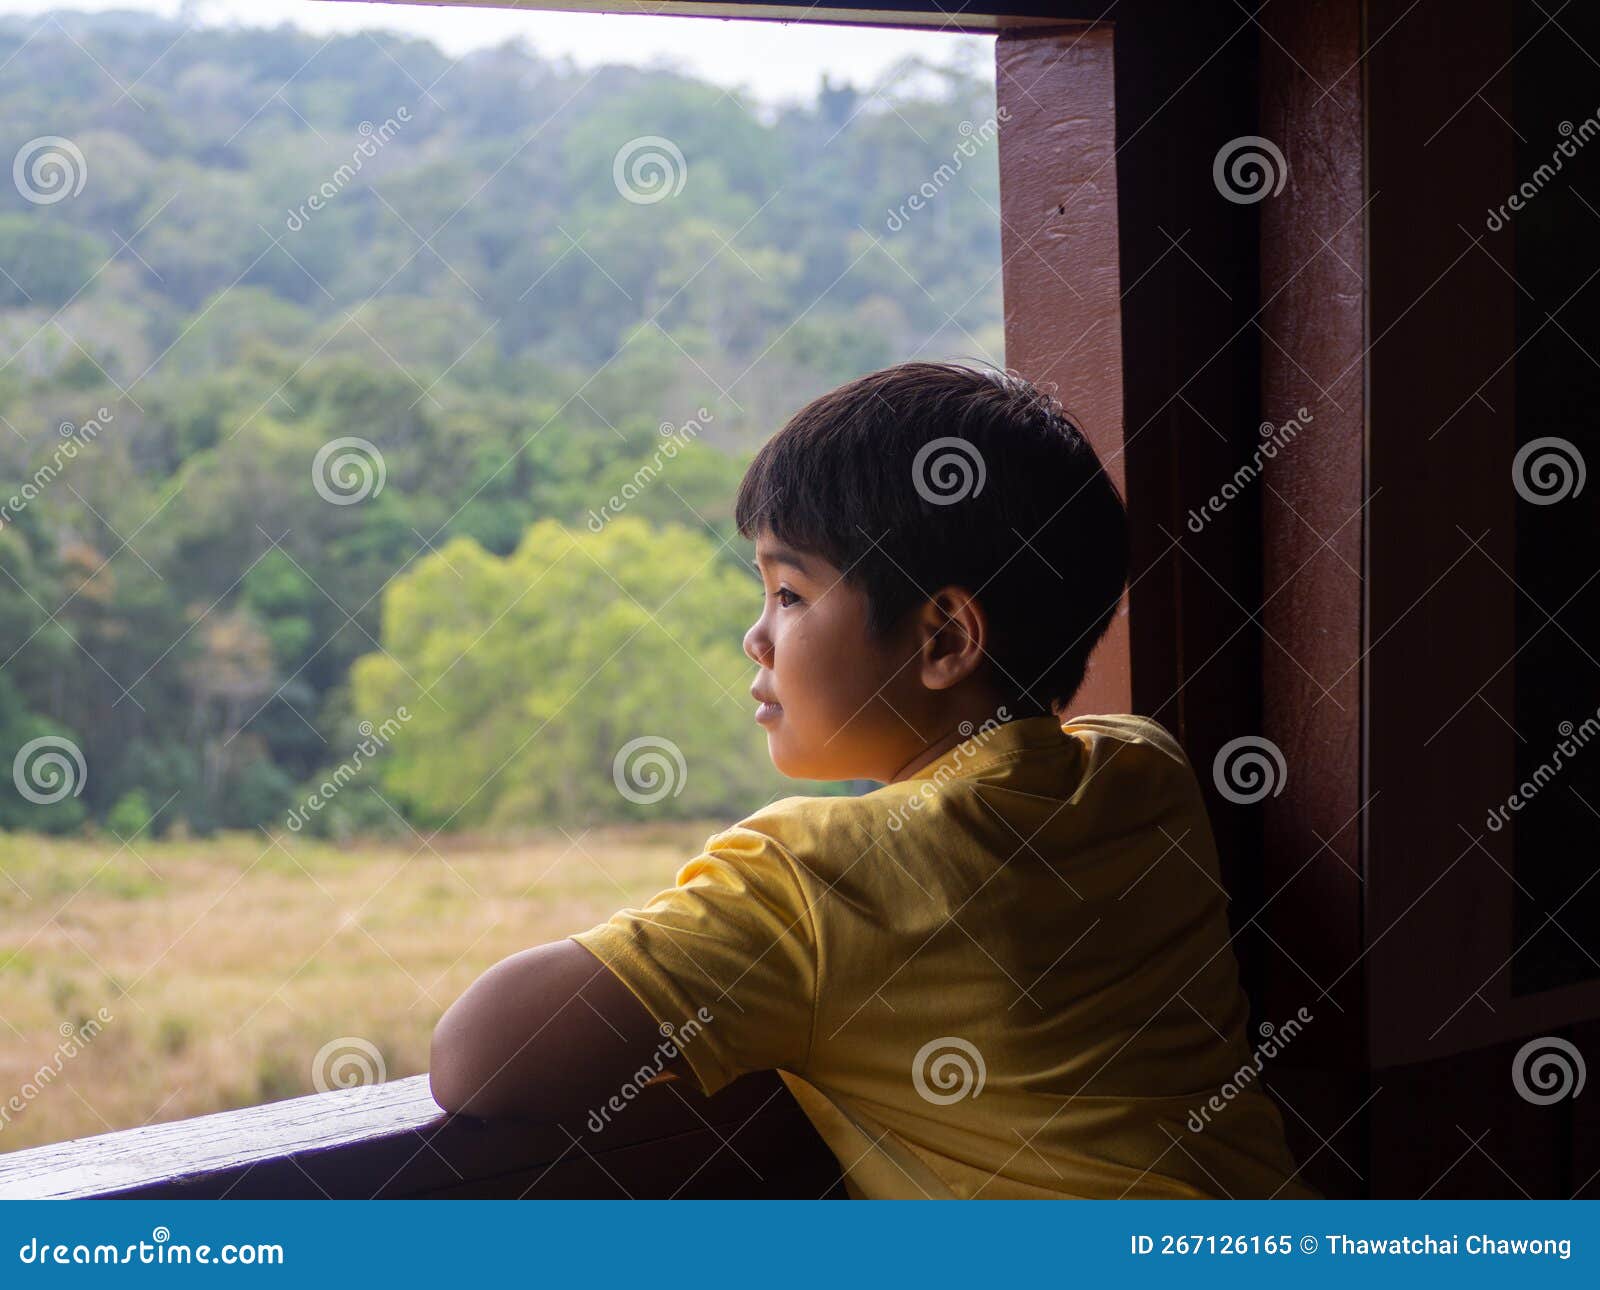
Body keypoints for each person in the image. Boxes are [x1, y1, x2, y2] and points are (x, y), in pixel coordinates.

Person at [428, 361, 1316, 1199]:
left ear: (944, 640)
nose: (757, 637)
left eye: (790, 594)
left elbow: (480, 1056)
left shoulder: (818, 881)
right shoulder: (1143, 767)